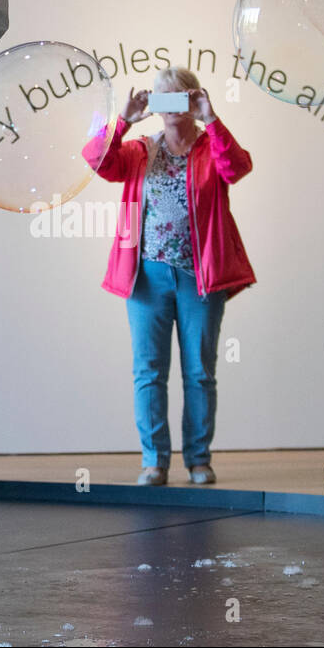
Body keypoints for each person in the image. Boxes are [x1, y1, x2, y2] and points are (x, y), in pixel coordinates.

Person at [82, 66, 256, 486]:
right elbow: (97, 160)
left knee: (199, 372)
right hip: (146, 278)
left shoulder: (210, 146)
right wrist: (123, 119)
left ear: (193, 100)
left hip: (201, 277)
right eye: (164, 97)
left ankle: (198, 460)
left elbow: (237, 168)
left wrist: (211, 118)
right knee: (148, 371)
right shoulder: (140, 149)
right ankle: (154, 462)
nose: (173, 104)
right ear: (155, 105)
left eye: (181, 96)